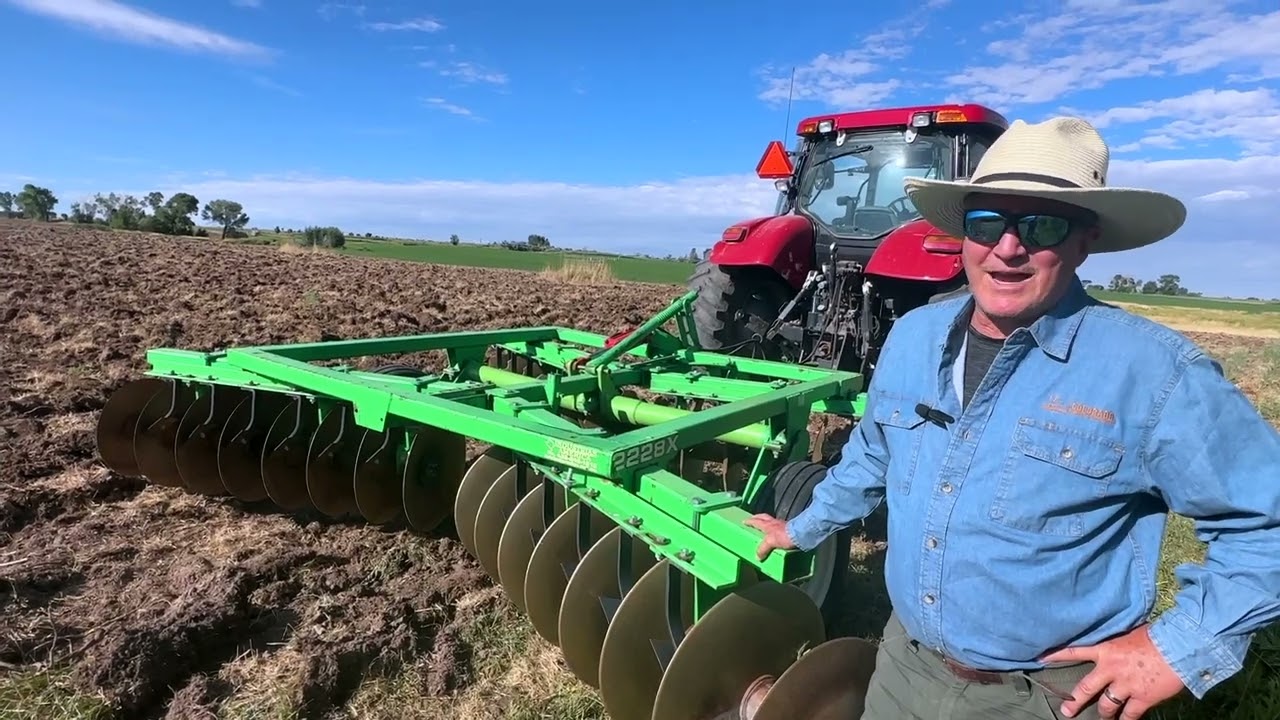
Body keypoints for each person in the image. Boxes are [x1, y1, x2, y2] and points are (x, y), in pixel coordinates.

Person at [744, 116, 1280, 720]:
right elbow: (874, 452)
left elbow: (1267, 522)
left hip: (1050, 697)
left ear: (1085, 241)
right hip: (903, 664)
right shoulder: (913, 336)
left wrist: (1175, 648)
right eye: (987, 222)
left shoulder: (1154, 372)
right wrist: (802, 527)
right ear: (964, 235)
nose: (1008, 247)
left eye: (1042, 224)